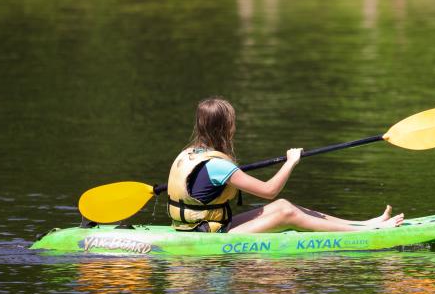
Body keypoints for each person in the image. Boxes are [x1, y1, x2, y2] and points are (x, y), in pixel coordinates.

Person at [167, 97, 404, 234]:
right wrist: (291, 163)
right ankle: (363, 232)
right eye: (232, 123)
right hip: (211, 235)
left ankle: (363, 223)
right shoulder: (218, 166)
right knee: (286, 212)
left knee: (283, 205)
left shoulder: (189, 154)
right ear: (224, 128)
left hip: (200, 227)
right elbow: (269, 191)